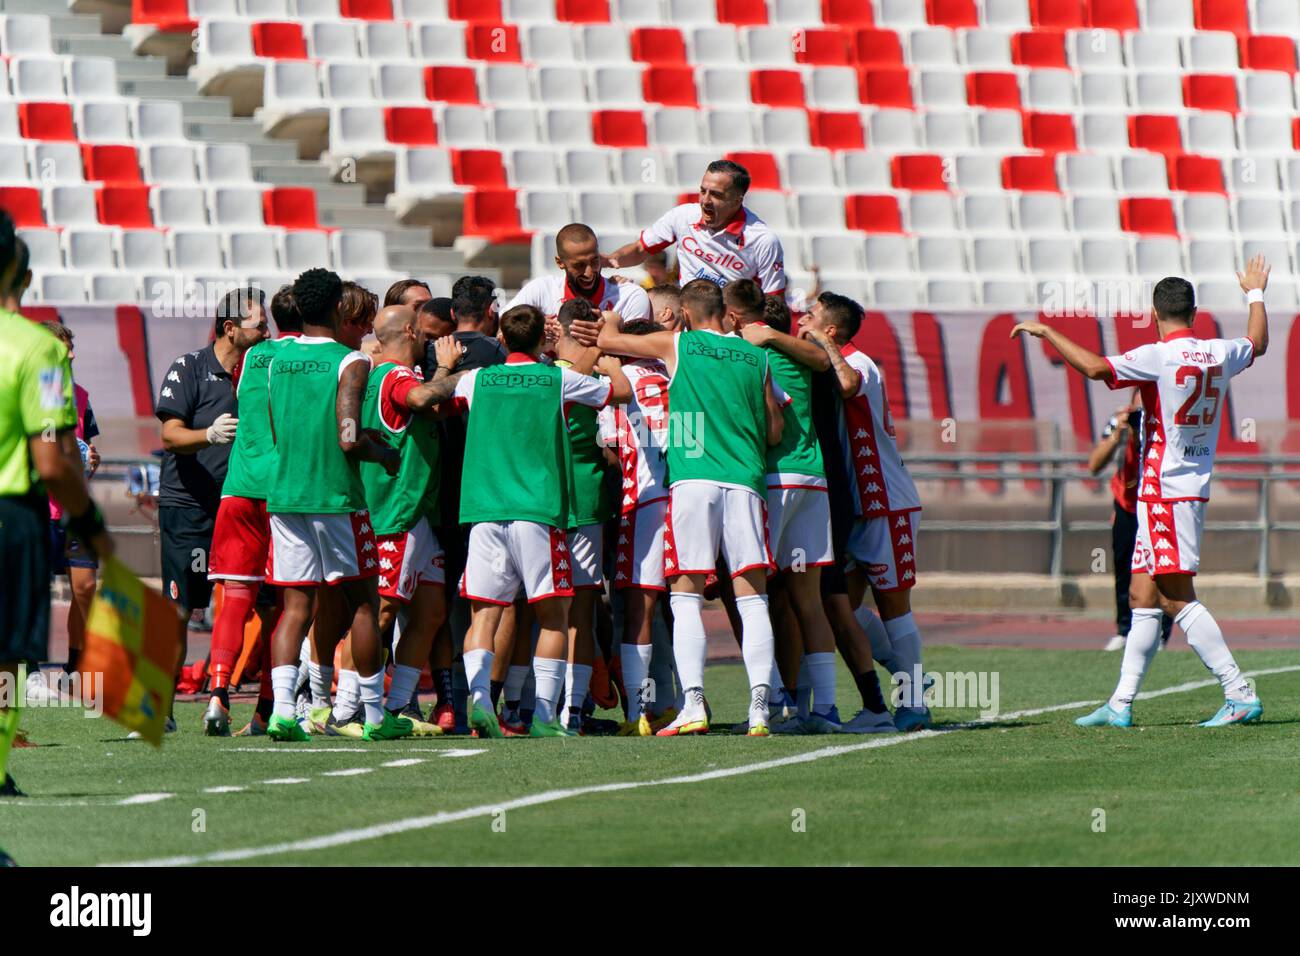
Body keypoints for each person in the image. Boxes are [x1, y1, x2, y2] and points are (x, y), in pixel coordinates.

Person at [1013, 261, 1270, 728]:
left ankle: (1238, 690)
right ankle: (1121, 702)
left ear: (1155, 314)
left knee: (1176, 596)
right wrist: (1256, 294)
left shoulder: (1158, 355)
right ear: (1194, 313)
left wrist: (1048, 332)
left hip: (1168, 489)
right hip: (1174, 490)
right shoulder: (1218, 350)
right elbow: (1257, 343)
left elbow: (1095, 368)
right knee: (1141, 596)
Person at [596, 279, 786, 737]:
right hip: (745, 482)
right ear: (724, 310)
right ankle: (762, 708)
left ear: (684, 312)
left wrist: (610, 319)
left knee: (684, 596)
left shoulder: (678, 343)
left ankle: (694, 704)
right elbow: (775, 430)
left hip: (692, 482)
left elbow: (608, 342)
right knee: (753, 597)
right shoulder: (756, 356)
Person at [449, 303, 631, 738]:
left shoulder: (476, 379)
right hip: (537, 510)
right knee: (555, 613)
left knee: (485, 613)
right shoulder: (556, 378)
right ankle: (547, 716)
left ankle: (479, 701)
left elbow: (447, 398)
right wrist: (609, 361)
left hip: (484, 510)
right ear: (542, 342)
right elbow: (618, 393)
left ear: (504, 340)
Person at [0, 209, 114, 865]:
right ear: (23, 272)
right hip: (12, 516)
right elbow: (51, 461)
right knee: (10, 655)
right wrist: (89, 522)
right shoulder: (42, 352)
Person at [262, 269, 406, 743]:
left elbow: (278, 427)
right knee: (364, 603)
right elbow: (348, 438)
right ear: (339, 309)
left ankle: (285, 712)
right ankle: (374, 717)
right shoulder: (350, 362)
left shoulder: (274, 361)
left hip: (285, 495)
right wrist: (381, 451)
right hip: (336, 498)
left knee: (295, 606)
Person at [801, 293, 930, 731]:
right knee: (844, 608)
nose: (804, 318)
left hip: (885, 503)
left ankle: (913, 703)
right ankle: (906, 677)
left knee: (894, 606)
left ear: (831, 331)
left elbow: (849, 384)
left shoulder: (861, 363)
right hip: (854, 504)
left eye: (813, 316)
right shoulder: (825, 360)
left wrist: (823, 345)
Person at [734, 284, 846, 734]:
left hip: (775, 479)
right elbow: (823, 361)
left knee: (753, 589)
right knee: (808, 599)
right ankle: (825, 709)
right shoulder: (802, 356)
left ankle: (772, 699)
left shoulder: (751, 354)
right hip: (813, 477)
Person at [155, 286, 267, 733]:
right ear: (231, 328)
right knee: (180, 611)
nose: (267, 334)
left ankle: (246, 703)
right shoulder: (189, 368)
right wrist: (208, 435)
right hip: (188, 508)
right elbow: (169, 436)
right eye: (261, 326)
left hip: (239, 507)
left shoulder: (260, 372)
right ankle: (161, 711)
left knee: (256, 604)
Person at [359, 305, 464, 736]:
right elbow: (421, 398)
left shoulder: (377, 372)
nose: (427, 336)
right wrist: (455, 372)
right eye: (420, 329)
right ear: (407, 330)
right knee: (381, 612)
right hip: (396, 512)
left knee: (431, 610)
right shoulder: (397, 375)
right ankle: (346, 706)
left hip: (417, 512)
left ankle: (400, 704)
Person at [203, 285, 299, 736]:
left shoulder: (249, 361)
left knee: (235, 600)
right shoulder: (318, 359)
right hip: (285, 494)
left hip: (238, 488)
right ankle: (268, 709)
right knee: (289, 603)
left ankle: (218, 694)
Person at [598, 317, 672, 735]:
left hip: (643, 502)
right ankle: (688, 703)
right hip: (683, 497)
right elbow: (687, 439)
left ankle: (636, 713)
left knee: (638, 609)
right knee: (683, 604)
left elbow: (609, 451)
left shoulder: (618, 377)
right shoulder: (676, 372)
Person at [602, 159, 786, 297]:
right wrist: (611, 260)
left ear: (737, 201)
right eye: (703, 191)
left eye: (716, 195)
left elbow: (773, 299)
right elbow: (640, 249)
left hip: (730, 327)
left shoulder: (762, 240)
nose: (705, 201)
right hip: (685, 313)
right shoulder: (683, 216)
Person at [35, 322, 101, 702]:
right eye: (64, 348)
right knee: (33, 592)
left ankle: (75, 668)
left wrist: (89, 460)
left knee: (85, 588)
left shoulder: (81, 397)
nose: (72, 355)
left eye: (72, 348)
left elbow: (85, 449)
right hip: (36, 509)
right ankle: (25, 669)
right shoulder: (24, 397)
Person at [1088, 395, 1174, 652]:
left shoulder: (1166, 421)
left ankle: (1160, 634)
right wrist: (1119, 433)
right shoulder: (1119, 422)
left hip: (1158, 501)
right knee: (1124, 567)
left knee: (1162, 568)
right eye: (1138, 406)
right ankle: (1125, 630)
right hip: (1127, 504)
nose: (1140, 412)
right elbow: (1094, 465)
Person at [508, 222, 652, 325]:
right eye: (579, 265)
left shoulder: (629, 296)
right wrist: (536, 327)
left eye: (594, 261)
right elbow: (504, 326)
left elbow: (638, 353)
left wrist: (605, 337)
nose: (589, 273)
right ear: (560, 263)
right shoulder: (542, 290)